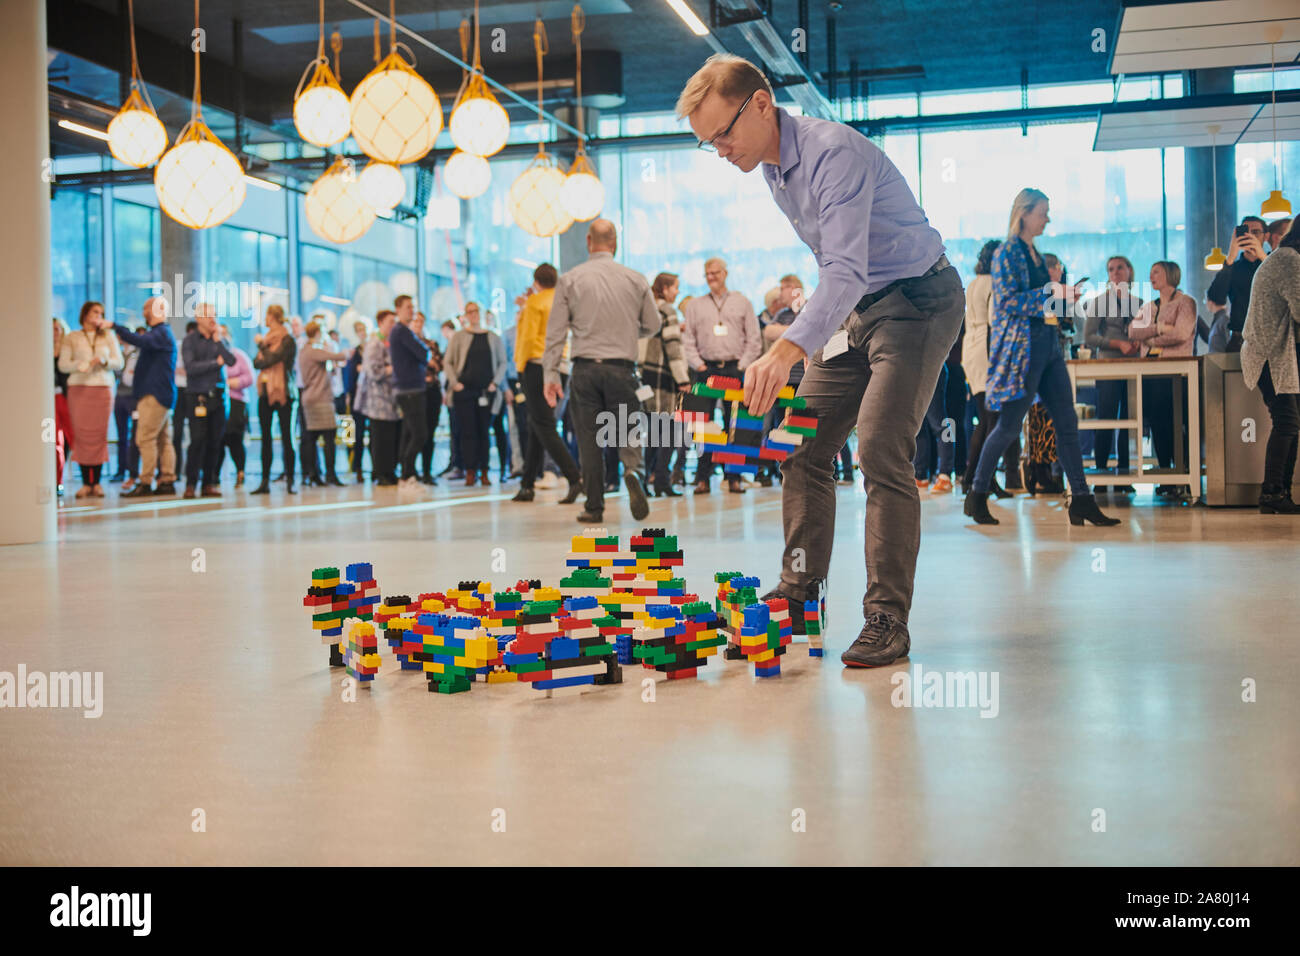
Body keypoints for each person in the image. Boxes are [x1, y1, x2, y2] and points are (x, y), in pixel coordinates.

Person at [680, 53, 969, 667]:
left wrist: (787, 347)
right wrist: (819, 332)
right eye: (709, 144)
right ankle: (799, 594)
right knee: (799, 443)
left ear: (761, 104)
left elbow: (845, 268)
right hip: (858, 311)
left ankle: (886, 618)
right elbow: (838, 271)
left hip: (919, 302)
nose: (721, 151)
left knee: (880, 448)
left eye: (723, 133)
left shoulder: (832, 152)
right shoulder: (772, 168)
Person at [964, 188, 1118, 527]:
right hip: (1024, 348)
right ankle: (976, 493)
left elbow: (1034, 299)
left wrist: (1061, 296)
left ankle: (1081, 499)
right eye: (1042, 212)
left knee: (1067, 423)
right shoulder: (1007, 253)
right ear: (1024, 213)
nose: (1048, 218)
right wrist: (1053, 292)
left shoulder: (1034, 253)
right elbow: (1008, 301)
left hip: (1048, 343)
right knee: (1008, 425)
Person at [543, 219, 657, 523]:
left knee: (589, 439)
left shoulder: (570, 279)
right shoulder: (635, 279)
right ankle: (633, 472)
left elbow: (555, 333)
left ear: (588, 242)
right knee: (628, 429)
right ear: (615, 243)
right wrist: (628, 332)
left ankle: (594, 507)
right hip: (622, 368)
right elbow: (654, 324)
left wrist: (550, 376)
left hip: (585, 370)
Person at [680, 256, 761, 494]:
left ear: (725, 273)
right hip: (706, 370)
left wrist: (742, 366)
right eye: (707, 274)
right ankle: (702, 478)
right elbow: (688, 340)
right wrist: (698, 365)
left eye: (715, 273)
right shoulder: (695, 305)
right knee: (703, 425)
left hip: (734, 369)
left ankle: (733, 477)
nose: (710, 277)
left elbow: (754, 338)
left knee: (735, 424)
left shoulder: (742, 302)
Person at [1242, 217, 1300, 513]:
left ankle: (1281, 493)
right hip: (1269, 354)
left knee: (1291, 422)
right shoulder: (1289, 259)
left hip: (1275, 353)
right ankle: (1271, 494)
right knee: (1287, 421)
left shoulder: (1284, 257)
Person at [512, 263, 584, 503]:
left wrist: (520, 367)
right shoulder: (564, 300)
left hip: (537, 365)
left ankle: (575, 477)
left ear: (536, 282)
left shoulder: (535, 302)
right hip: (562, 365)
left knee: (543, 424)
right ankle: (527, 485)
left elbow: (527, 338)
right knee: (537, 423)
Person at [1127, 260, 1197, 496]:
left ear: (1170, 274)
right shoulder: (1149, 306)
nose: (1151, 276)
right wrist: (1159, 328)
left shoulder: (1186, 302)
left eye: (1156, 271)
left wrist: (1150, 340)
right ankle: (1166, 475)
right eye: (1150, 272)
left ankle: (1184, 474)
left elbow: (1181, 333)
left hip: (1177, 372)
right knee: (1158, 422)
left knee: (1178, 423)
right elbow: (1133, 331)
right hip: (1151, 372)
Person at [1081, 255, 1144, 491]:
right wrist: (1118, 344)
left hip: (1133, 366)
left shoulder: (1140, 303)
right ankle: (1101, 476)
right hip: (1108, 365)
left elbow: (1146, 333)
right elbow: (1089, 337)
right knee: (1106, 418)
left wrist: (1138, 343)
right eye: (1110, 269)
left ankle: (1124, 478)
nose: (1115, 272)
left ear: (1129, 271)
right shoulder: (1100, 302)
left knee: (1128, 419)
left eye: (1119, 268)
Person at [960, 240, 1013, 498]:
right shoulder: (994, 283)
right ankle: (976, 478)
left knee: (985, 418)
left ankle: (980, 478)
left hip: (971, 350)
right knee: (991, 420)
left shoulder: (973, 283)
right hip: (987, 350)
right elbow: (995, 322)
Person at [57, 301, 124, 498]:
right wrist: (81, 364)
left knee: (99, 434)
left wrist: (104, 361)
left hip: (102, 388)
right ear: (85, 314)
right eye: (95, 312)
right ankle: (86, 482)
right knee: (82, 435)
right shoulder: (72, 337)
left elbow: (119, 362)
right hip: (79, 388)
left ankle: (97, 483)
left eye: (101, 313)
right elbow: (63, 365)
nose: (98, 316)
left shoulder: (108, 336)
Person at [113, 297, 178, 497]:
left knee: (145, 438)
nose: (143, 313)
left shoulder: (161, 333)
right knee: (163, 439)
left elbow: (141, 340)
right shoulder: (162, 334)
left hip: (154, 395)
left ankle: (146, 482)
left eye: (146, 308)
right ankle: (167, 480)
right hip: (161, 394)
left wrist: (116, 327)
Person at [639, 271, 693, 497]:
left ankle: (643, 480)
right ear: (665, 288)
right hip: (664, 377)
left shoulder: (645, 309)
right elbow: (672, 347)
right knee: (670, 431)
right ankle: (662, 479)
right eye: (675, 287)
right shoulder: (668, 311)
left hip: (645, 376)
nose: (677, 292)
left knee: (652, 432)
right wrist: (683, 378)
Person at [444, 301, 507, 487]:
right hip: (465, 393)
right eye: (469, 312)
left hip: (486, 392)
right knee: (467, 432)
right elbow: (448, 362)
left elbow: (503, 362)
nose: (473, 314)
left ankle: (484, 470)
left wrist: (495, 383)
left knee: (484, 432)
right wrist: (454, 383)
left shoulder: (493, 337)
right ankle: (470, 471)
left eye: (476, 311)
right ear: (465, 315)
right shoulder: (459, 336)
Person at [180, 303, 236, 498]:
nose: (212, 318)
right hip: (197, 396)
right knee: (197, 440)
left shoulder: (220, 339)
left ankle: (209, 483)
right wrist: (215, 363)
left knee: (215, 441)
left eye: (214, 314)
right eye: (208, 315)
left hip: (219, 396)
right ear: (198, 318)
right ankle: (191, 483)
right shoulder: (189, 341)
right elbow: (191, 367)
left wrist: (219, 341)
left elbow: (231, 361)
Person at [757, 274, 807, 487]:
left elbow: (814, 330)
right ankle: (782, 471)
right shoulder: (782, 314)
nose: (780, 293)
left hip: (805, 380)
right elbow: (768, 331)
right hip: (784, 380)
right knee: (780, 427)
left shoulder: (809, 309)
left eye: (783, 288)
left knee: (803, 427)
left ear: (794, 288)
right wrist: (799, 331)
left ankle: (803, 468)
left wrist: (787, 334)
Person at [250, 305, 298, 495]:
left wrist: (262, 347)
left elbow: (272, 359)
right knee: (266, 438)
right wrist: (264, 350)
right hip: (265, 392)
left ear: (273, 316)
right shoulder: (267, 338)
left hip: (285, 392)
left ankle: (291, 479)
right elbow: (257, 362)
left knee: (288, 438)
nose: (265, 318)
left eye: (267, 315)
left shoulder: (287, 339)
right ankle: (264, 481)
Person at [298, 320, 352, 486]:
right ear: (317, 333)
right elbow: (338, 356)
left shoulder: (305, 350)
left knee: (312, 437)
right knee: (326, 437)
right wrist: (347, 352)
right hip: (319, 398)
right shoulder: (313, 350)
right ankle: (326, 474)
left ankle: (314, 474)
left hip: (313, 397)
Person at [388, 295, 431, 490]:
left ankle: (407, 475)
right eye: (408, 307)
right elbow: (424, 353)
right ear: (398, 309)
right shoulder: (402, 331)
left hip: (410, 388)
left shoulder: (402, 331)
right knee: (419, 434)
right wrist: (424, 353)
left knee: (410, 433)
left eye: (413, 307)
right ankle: (407, 474)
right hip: (409, 390)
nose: (411, 310)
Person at [1207, 215, 1267, 352]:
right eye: (1245, 232)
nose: (1250, 236)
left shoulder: (1270, 263)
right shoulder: (1232, 267)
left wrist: (1262, 256)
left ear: (1266, 236)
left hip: (1268, 337)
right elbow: (1215, 297)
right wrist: (1230, 257)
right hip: (1239, 339)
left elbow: (1282, 283)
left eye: (1256, 232)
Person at [356, 310, 400, 485]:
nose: (393, 326)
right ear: (381, 322)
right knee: (380, 438)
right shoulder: (374, 344)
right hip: (377, 400)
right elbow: (373, 372)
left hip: (391, 400)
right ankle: (380, 473)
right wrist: (392, 369)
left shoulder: (390, 343)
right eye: (390, 322)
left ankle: (390, 471)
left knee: (391, 437)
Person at [219, 325, 254, 488]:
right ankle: (214, 476)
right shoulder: (213, 357)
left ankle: (240, 471)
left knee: (235, 438)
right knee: (219, 439)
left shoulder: (239, 356)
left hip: (237, 401)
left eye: (225, 334)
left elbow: (250, 377)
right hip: (219, 402)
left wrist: (234, 382)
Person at [413, 312, 443, 485]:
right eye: (415, 321)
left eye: (421, 321)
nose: (418, 324)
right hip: (414, 392)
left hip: (432, 391)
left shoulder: (431, 344)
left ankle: (426, 471)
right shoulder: (406, 343)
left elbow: (438, 365)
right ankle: (410, 471)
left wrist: (426, 363)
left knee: (429, 432)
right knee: (415, 432)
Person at [111, 328, 140, 487]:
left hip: (133, 397)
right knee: (121, 436)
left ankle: (133, 472)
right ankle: (120, 470)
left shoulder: (138, 353)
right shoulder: (118, 353)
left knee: (135, 436)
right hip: (120, 397)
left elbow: (132, 377)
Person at [342, 320, 369, 480]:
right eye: (359, 330)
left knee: (370, 434)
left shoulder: (370, 348)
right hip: (352, 397)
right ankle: (354, 465)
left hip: (369, 397)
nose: (362, 332)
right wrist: (347, 394)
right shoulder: (352, 352)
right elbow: (349, 374)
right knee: (352, 432)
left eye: (363, 329)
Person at [52, 318, 73, 495]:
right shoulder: (42, 350)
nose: (55, 332)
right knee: (54, 441)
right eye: (52, 329)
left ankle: (89, 480)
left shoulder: (68, 351)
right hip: (49, 400)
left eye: (58, 328)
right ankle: (57, 481)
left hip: (67, 399)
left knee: (71, 439)